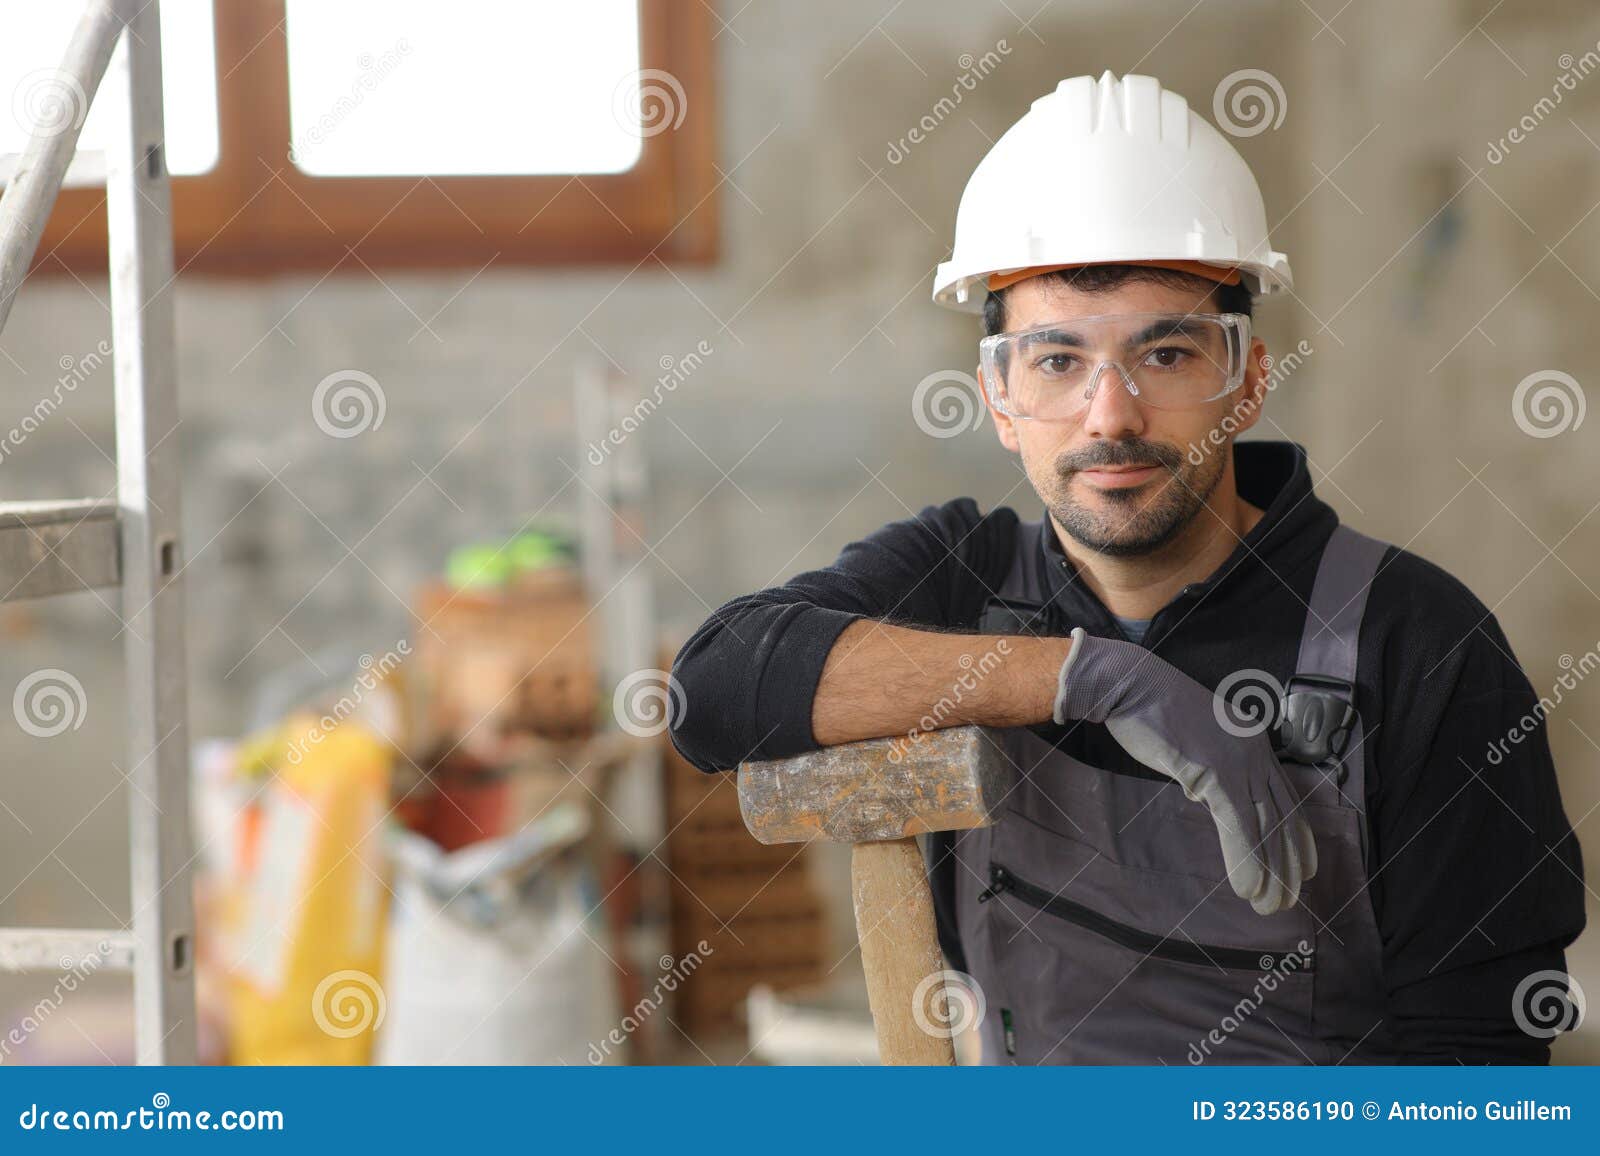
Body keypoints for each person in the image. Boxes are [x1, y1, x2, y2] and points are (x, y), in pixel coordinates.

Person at [668, 72, 1585, 1063]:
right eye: (1058, 361)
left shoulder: (1416, 646)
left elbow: (1476, 1076)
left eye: (1168, 355)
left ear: (1246, 380)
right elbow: (713, 687)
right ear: (997, 396)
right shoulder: (961, 580)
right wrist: (1087, 678)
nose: (1111, 416)